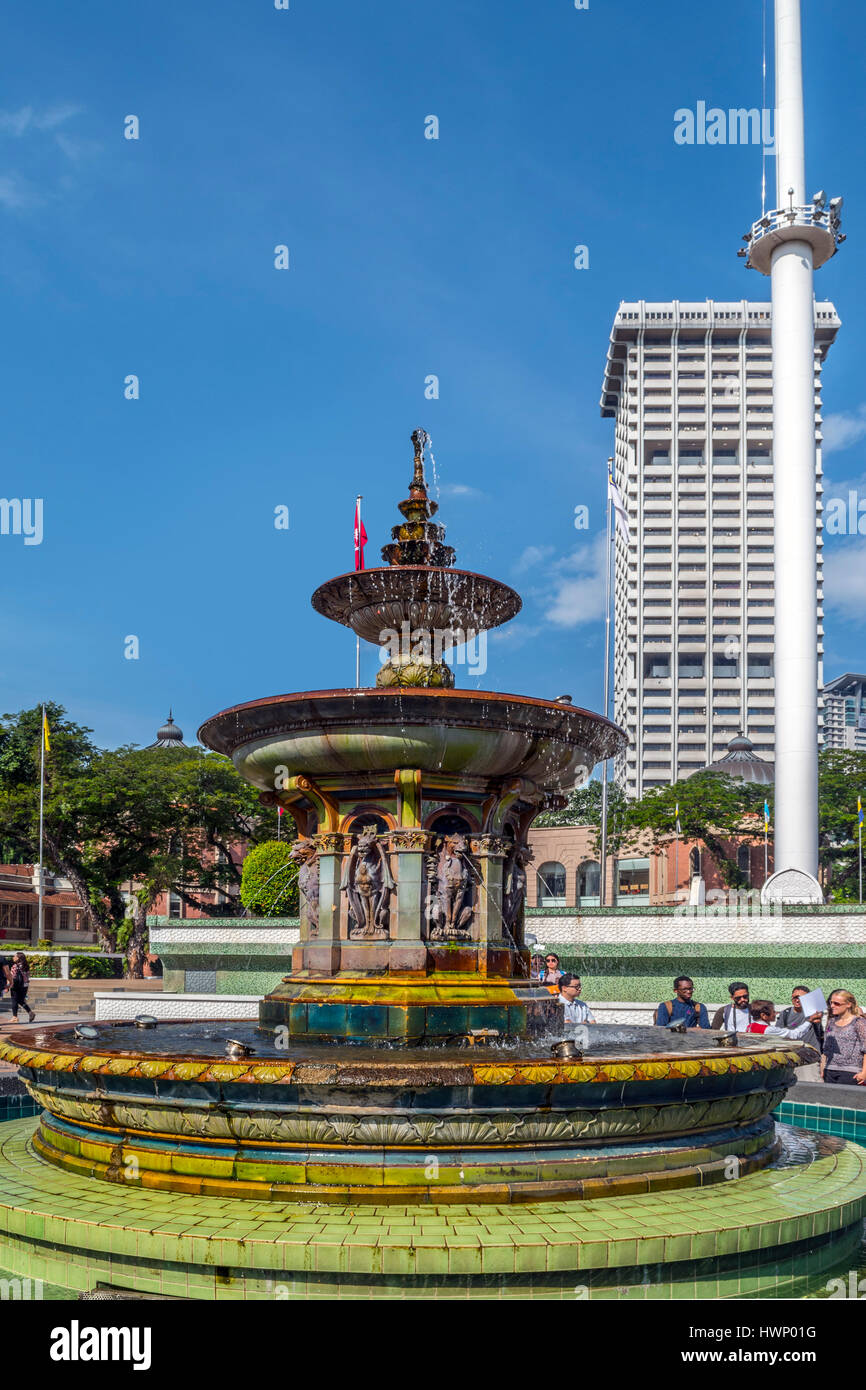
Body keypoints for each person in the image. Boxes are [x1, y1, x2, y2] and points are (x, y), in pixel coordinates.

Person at [821, 990, 866, 1086]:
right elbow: (826, 1048)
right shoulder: (831, 1022)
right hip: (830, 1069)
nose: (832, 1006)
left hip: (851, 1071)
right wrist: (823, 1068)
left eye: (836, 1003)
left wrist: (864, 1073)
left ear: (848, 1004)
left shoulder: (859, 1022)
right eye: (831, 1003)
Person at [745, 1000, 818, 1041]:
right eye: (773, 1011)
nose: (775, 1013)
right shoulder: (768, 1030)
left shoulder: (749, 1027)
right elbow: (794, 1034)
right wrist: (809, 1021)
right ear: (764, 1016)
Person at [8, 953, 34, 1024]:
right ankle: (30, 1012)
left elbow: (12, 976)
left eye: (15, 956)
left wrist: (8, 984)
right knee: (20, 1000)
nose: (13, 957)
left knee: (14, 1000)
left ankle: (15, 1017)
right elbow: (28, 976)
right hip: (25, 985)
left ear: (18, 958)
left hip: (16, 985)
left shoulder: (15, 966)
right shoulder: (26, 966)